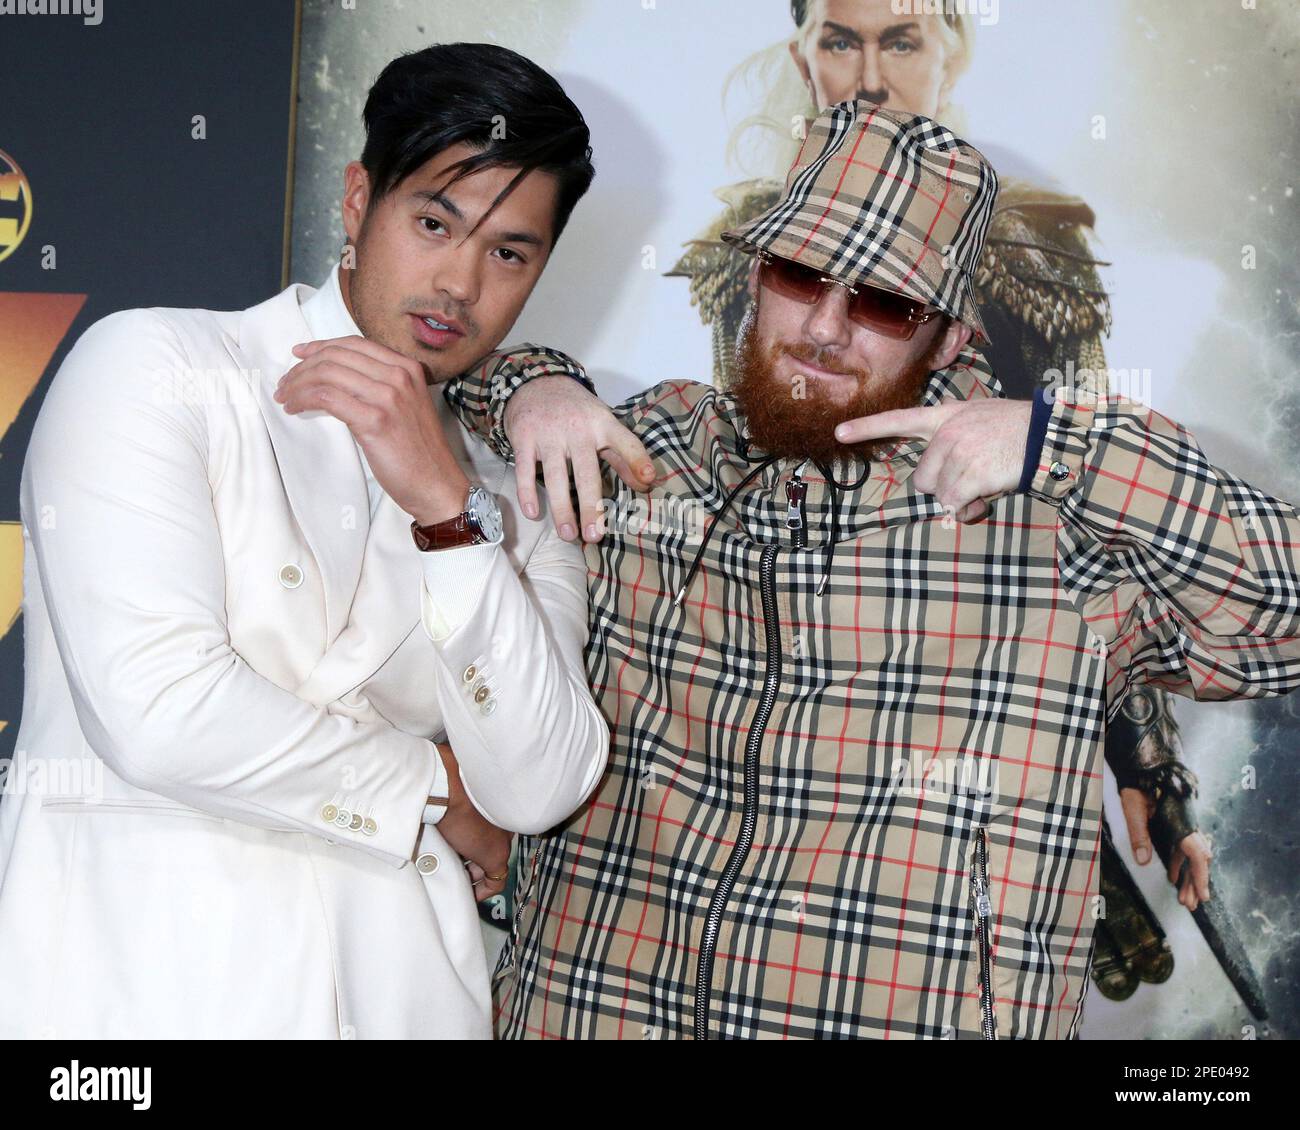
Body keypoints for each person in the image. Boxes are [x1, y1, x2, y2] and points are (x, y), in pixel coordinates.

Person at [443, 100, 1300, 1039]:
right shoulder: (655, 453)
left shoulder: (1059, 530)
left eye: (887, 303)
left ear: (953, 338)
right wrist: (531, 384)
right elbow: (444, 379)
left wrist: (1067, 449)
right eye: (800, 272)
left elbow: (1280, 613)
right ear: (756, 274)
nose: (825, 326)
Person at [0, 42, 607, 1039]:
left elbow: (538, 783)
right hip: (132, 999)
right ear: (357, 200)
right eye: (432, 222)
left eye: (509, 252)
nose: (458, 282)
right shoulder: (159, 366)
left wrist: (446, 509)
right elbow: (162, 711)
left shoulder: (510, 500)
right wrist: (435, 789)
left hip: (397, 999)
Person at [665, 0, 1207, 1002]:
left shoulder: (1033, 252)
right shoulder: (737, 247)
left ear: (951, 51)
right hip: (797, 675)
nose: (867, 72)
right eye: (839, 39)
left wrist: (1143, 758)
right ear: (801, 52)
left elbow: (1095, 519)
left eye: (900, 39)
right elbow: (750, 453)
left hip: (989, 662)